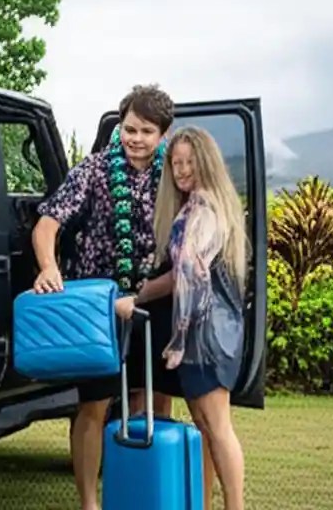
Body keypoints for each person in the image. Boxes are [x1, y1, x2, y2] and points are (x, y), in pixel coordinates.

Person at [30, 84, 180, 510]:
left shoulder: (175, 176)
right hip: (98, 310)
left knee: (154, 400)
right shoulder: (93, 171)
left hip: (153, 305)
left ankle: (146, 492)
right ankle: (89, 503)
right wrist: (49, 266)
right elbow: (46, 225)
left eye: (146, 131)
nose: (136, 139)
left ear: (163, 134)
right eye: (130, 129)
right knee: (93, 407)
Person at [115, 125, 249, 510]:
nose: (183, 170)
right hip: (209, 335)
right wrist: (137, 296)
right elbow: (178, 277)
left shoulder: (203, 208)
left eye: (190, 162)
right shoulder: (201, 206)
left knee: (217, 428)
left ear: (205, 163)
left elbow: (189, 274)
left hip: (205, 337)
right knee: (207, 429)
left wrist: (176, 338)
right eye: (176, 164)